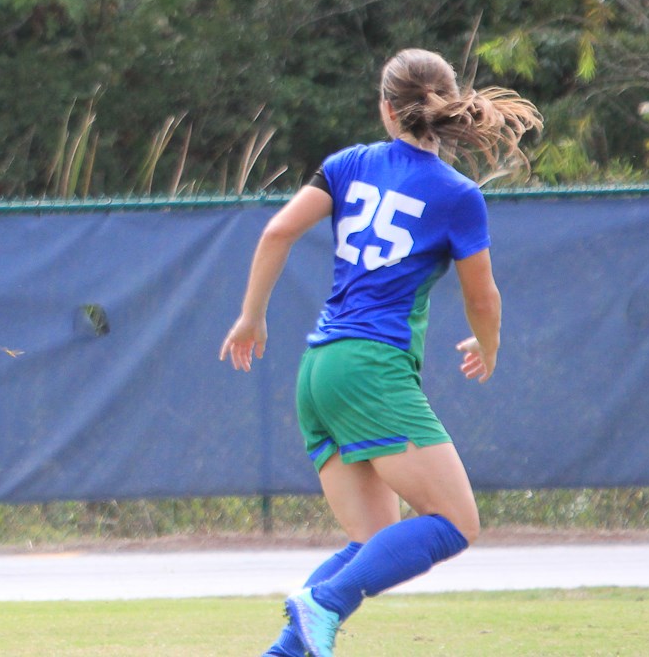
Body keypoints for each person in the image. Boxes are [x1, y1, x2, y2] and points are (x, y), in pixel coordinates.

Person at [218, 48, 541, 657]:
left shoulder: (347, 164)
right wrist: (488, 346)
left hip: (319, 368)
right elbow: (484, 298)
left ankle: (286, 651)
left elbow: (277, 231)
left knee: (375, 541)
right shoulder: (456, 194)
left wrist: (251, 316)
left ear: (388, 110)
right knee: (454, 523)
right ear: (447, 109)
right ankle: (324, 603)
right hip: (370, 366)